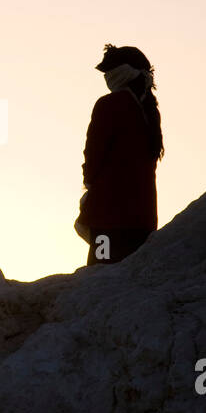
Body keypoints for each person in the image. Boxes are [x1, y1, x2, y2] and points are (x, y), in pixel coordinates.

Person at [77, 44, 163, 265]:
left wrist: (88, 184)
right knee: (125, 290)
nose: (106, 77)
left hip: (108, 217)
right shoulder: (150, 111)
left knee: (98, 283)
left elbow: (93, 154)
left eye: (109, 71)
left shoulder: (109, 105)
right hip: (142, 223)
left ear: (122, 72)